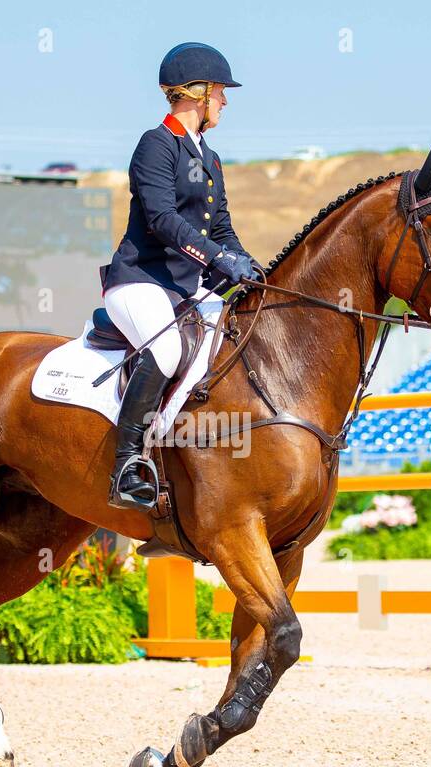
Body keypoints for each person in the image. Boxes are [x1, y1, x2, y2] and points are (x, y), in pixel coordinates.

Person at [99, 42, 258, 511]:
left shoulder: (209, 157)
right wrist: (216, 259)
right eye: (220, 92)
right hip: (141, 281)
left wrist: (246, 263)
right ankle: (127, 465)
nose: (225, 101)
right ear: (197, 93)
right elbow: (162, 220)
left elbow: (223, 226)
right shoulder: (156, 144)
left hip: (187, 288)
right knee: (167, 349)